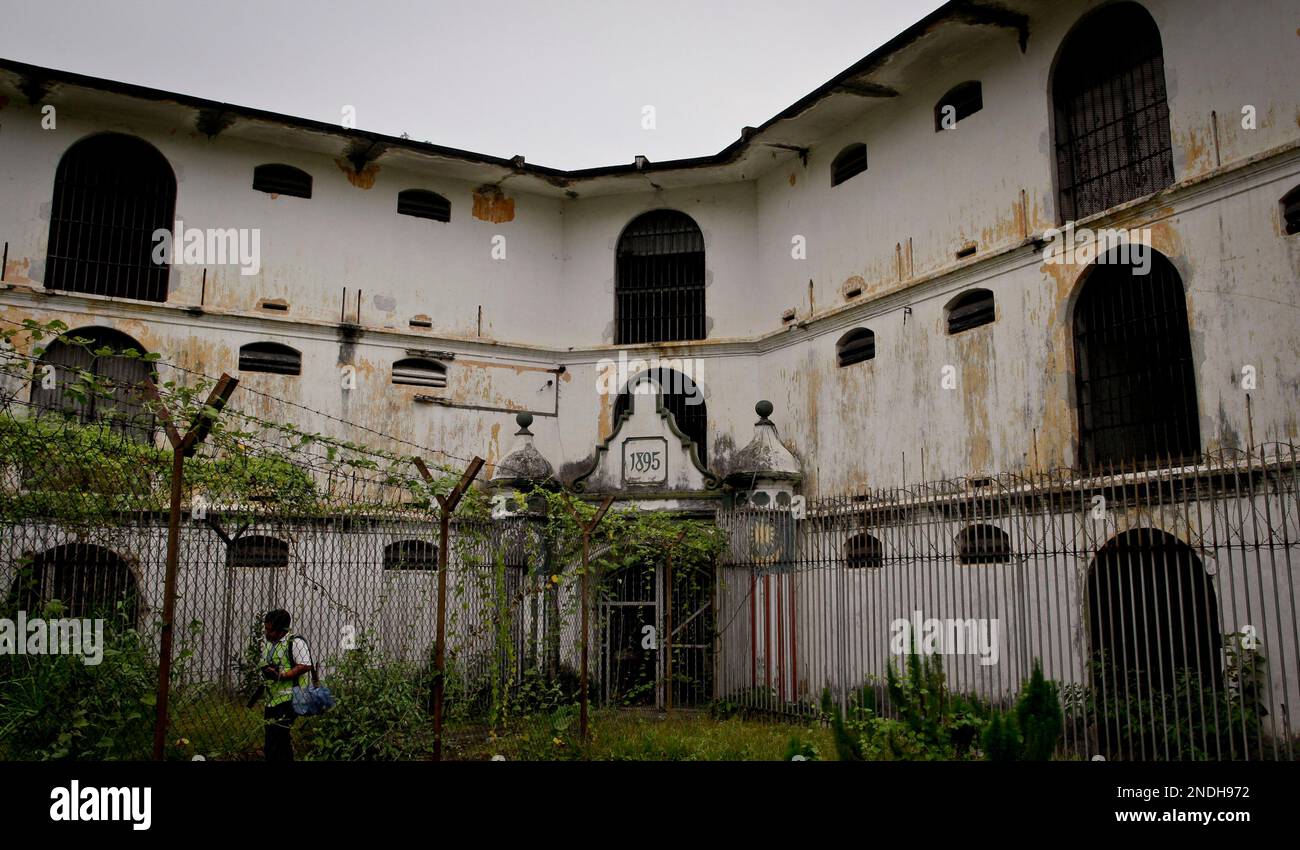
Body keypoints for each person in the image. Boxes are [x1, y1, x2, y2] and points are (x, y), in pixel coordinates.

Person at [260, 609, 312, 762]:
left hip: (289, 698)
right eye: (266, 629)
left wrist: (283, 676)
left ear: (282, 630)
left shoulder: (295, 642)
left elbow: (305, 664)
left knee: (277, 740)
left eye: (270, 630)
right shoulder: (270, 644)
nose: (267, 633)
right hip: (272, 699)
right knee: (274, 742)